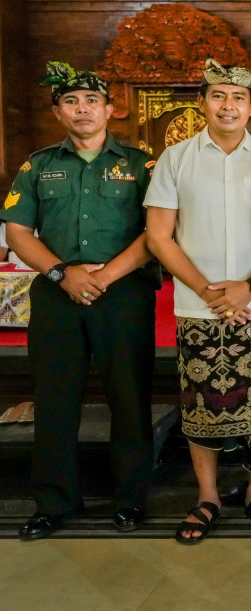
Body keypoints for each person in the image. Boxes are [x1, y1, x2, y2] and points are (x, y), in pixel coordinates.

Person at [2, 61, 158, 540]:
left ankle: (130, 498)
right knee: (55, 400)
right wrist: (60, 272)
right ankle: (54, 502)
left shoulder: (142, 165)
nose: (82, 109)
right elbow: (18, 232)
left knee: (129, 397)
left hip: (123, 293)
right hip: (57, 293)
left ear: (111, 109)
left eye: (92, 100)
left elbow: (158, 232)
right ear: (58, 113)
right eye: (70, 101)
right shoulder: (37, 165)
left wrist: (106, 275)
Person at [145, 59, 251, 544]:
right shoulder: (175, 159)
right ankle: (207, 495)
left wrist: (249, 285)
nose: (229, 106)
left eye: (238, 98)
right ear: (202, 103)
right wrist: (209, 291)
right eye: (219, 96)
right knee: (199, 405)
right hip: (198, 306)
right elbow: (159, 237)